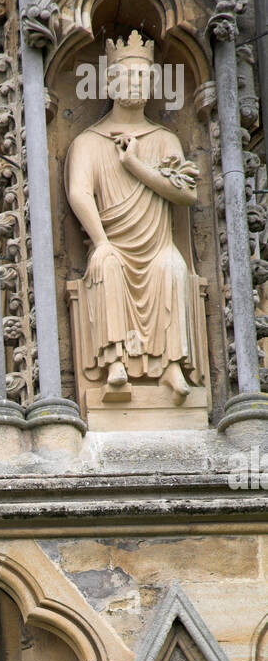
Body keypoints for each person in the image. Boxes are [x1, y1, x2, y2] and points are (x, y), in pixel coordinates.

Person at [65, 32, 200, 404]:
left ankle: (172, 366)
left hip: (155, 246)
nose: (137, 83)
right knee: (106, 263)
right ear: (110, 82)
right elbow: (79, 192)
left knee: (171, 266)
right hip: (114, 244)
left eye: (144, 76)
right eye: (129, 76)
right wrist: (102, 241)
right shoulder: (88, 142)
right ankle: (115, 365)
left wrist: (135, 164)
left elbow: (186, 194)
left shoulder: (164, 140)